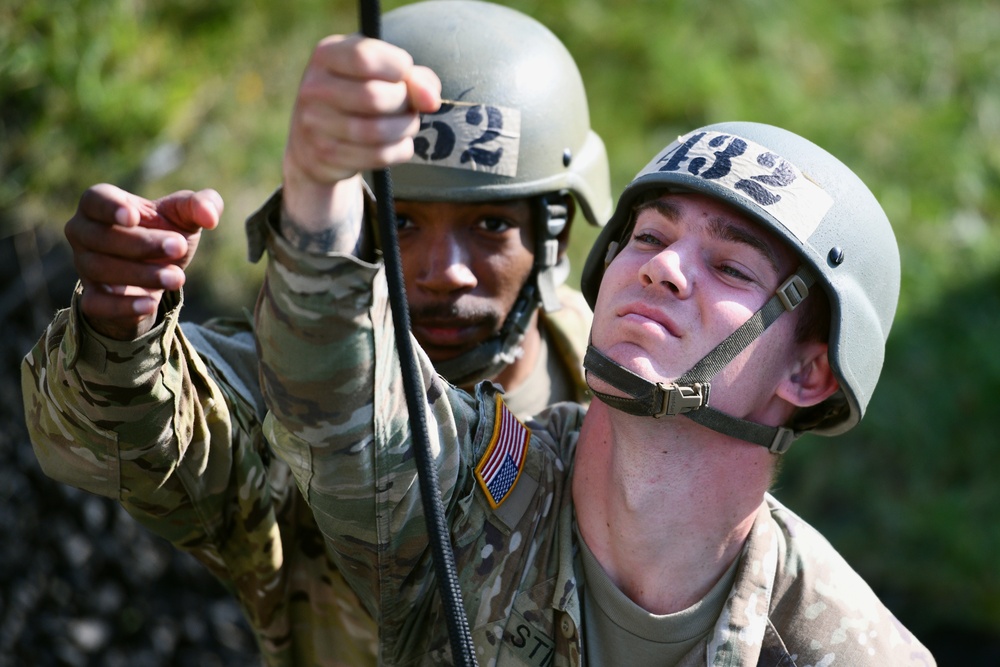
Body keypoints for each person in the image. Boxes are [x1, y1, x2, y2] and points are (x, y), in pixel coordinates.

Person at [250, 26, 937, 662]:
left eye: (731, 267)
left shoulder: (844, 648)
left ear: (810, 372)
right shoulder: (462, 492)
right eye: (650, 235)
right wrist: (320, 189)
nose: (663, 267)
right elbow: (336, 394)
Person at [21, 2, 611, 665]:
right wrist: (119, 331)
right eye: (404, 224)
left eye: (491, 225)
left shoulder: (620, 394)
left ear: (552, 231)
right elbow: (142, 433)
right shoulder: (297, 400)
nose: (446, 273)